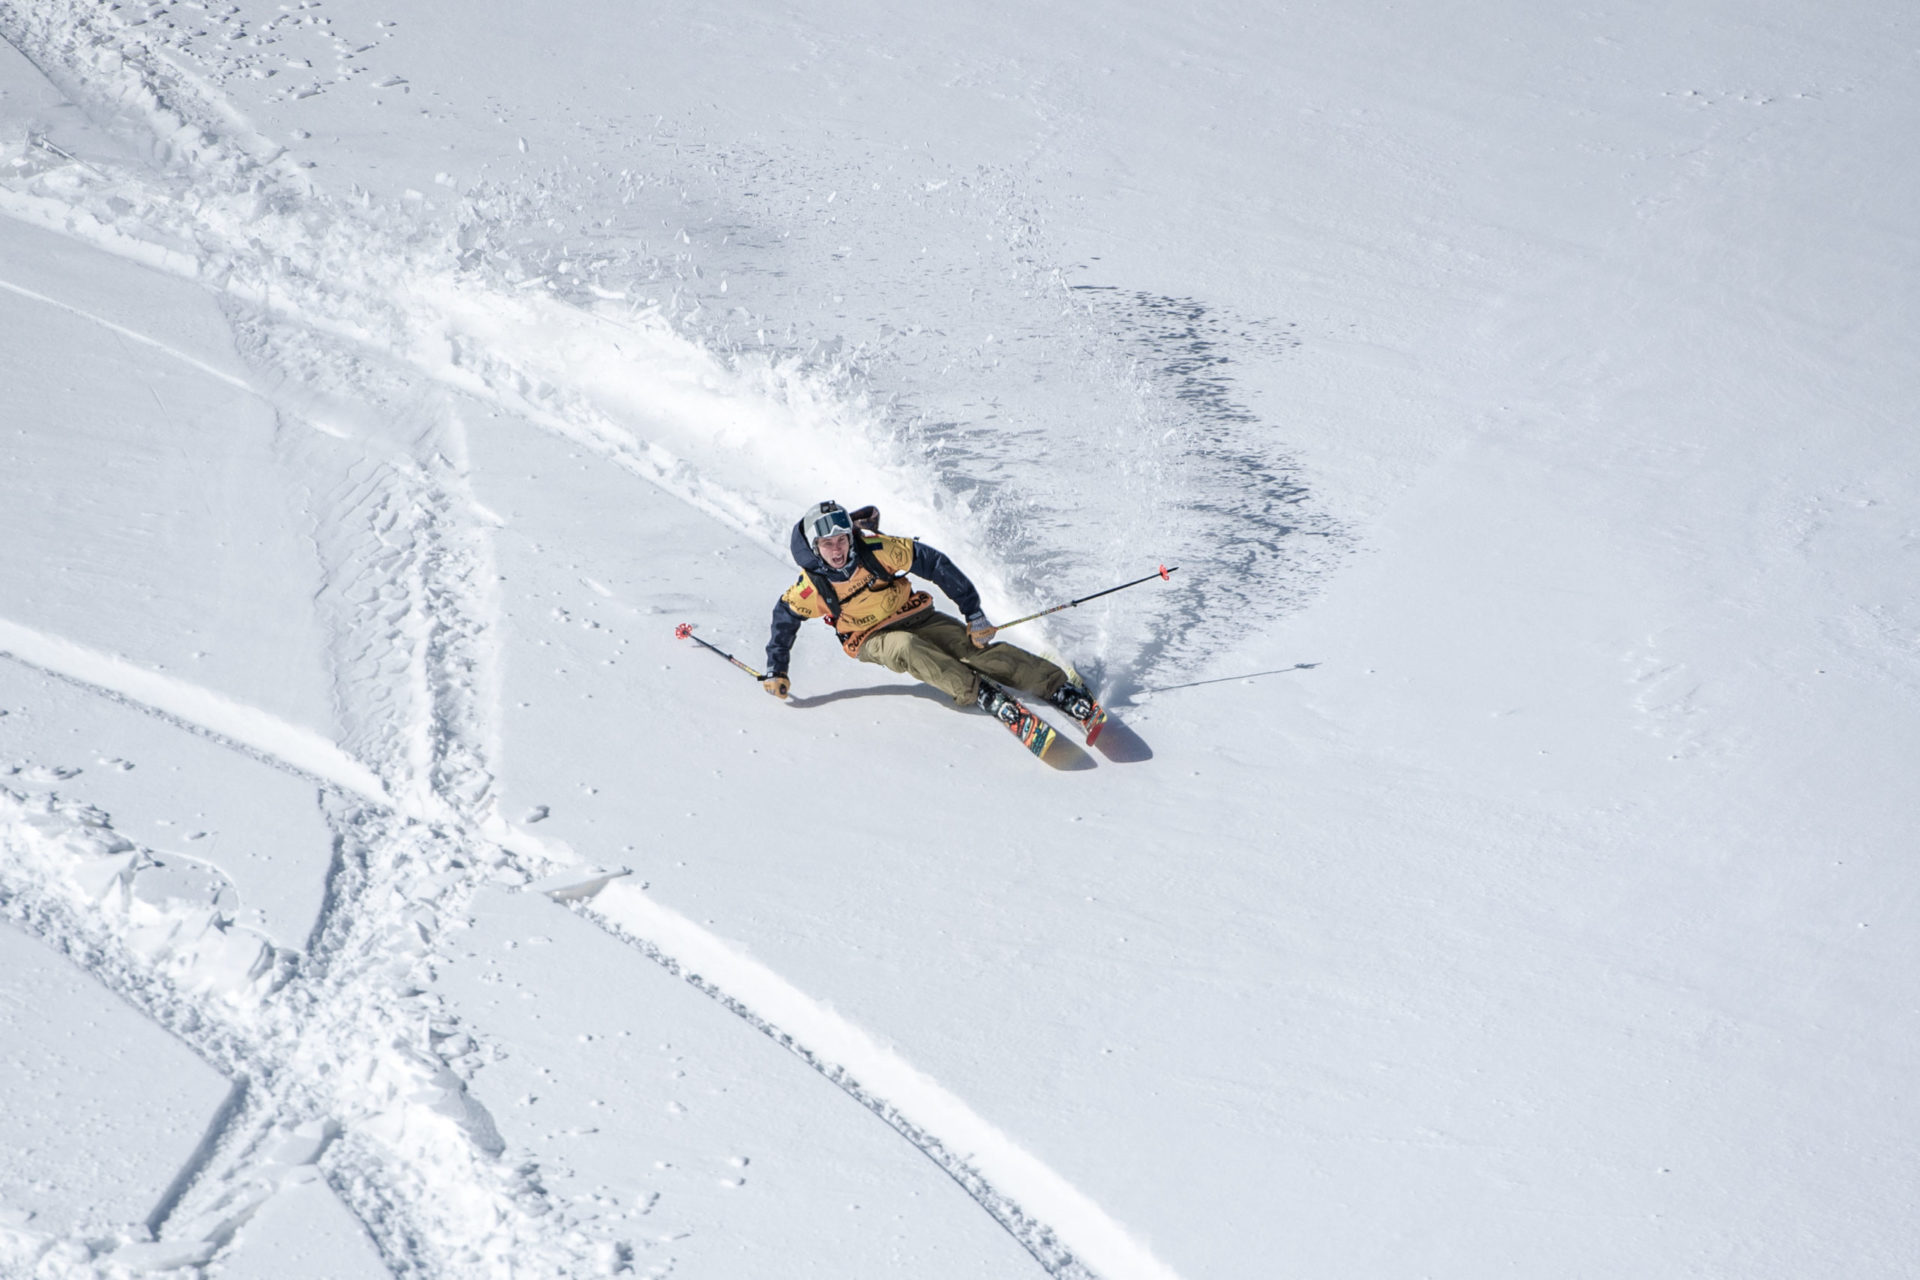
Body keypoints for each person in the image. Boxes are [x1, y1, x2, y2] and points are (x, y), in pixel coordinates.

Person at [762, 500, 1098, 728]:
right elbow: (784, 619)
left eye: (841, 541)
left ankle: (1054, 686)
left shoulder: (879, 551)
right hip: (868, 637)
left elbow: (935, 564)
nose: (836, 550)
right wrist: (776, 668)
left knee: (969, 649)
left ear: (850, 537)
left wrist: (974, 614)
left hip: (915, 613)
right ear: (814, 547)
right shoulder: (812, 587)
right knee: (907, 647)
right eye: (827, 544)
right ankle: (974, 690)